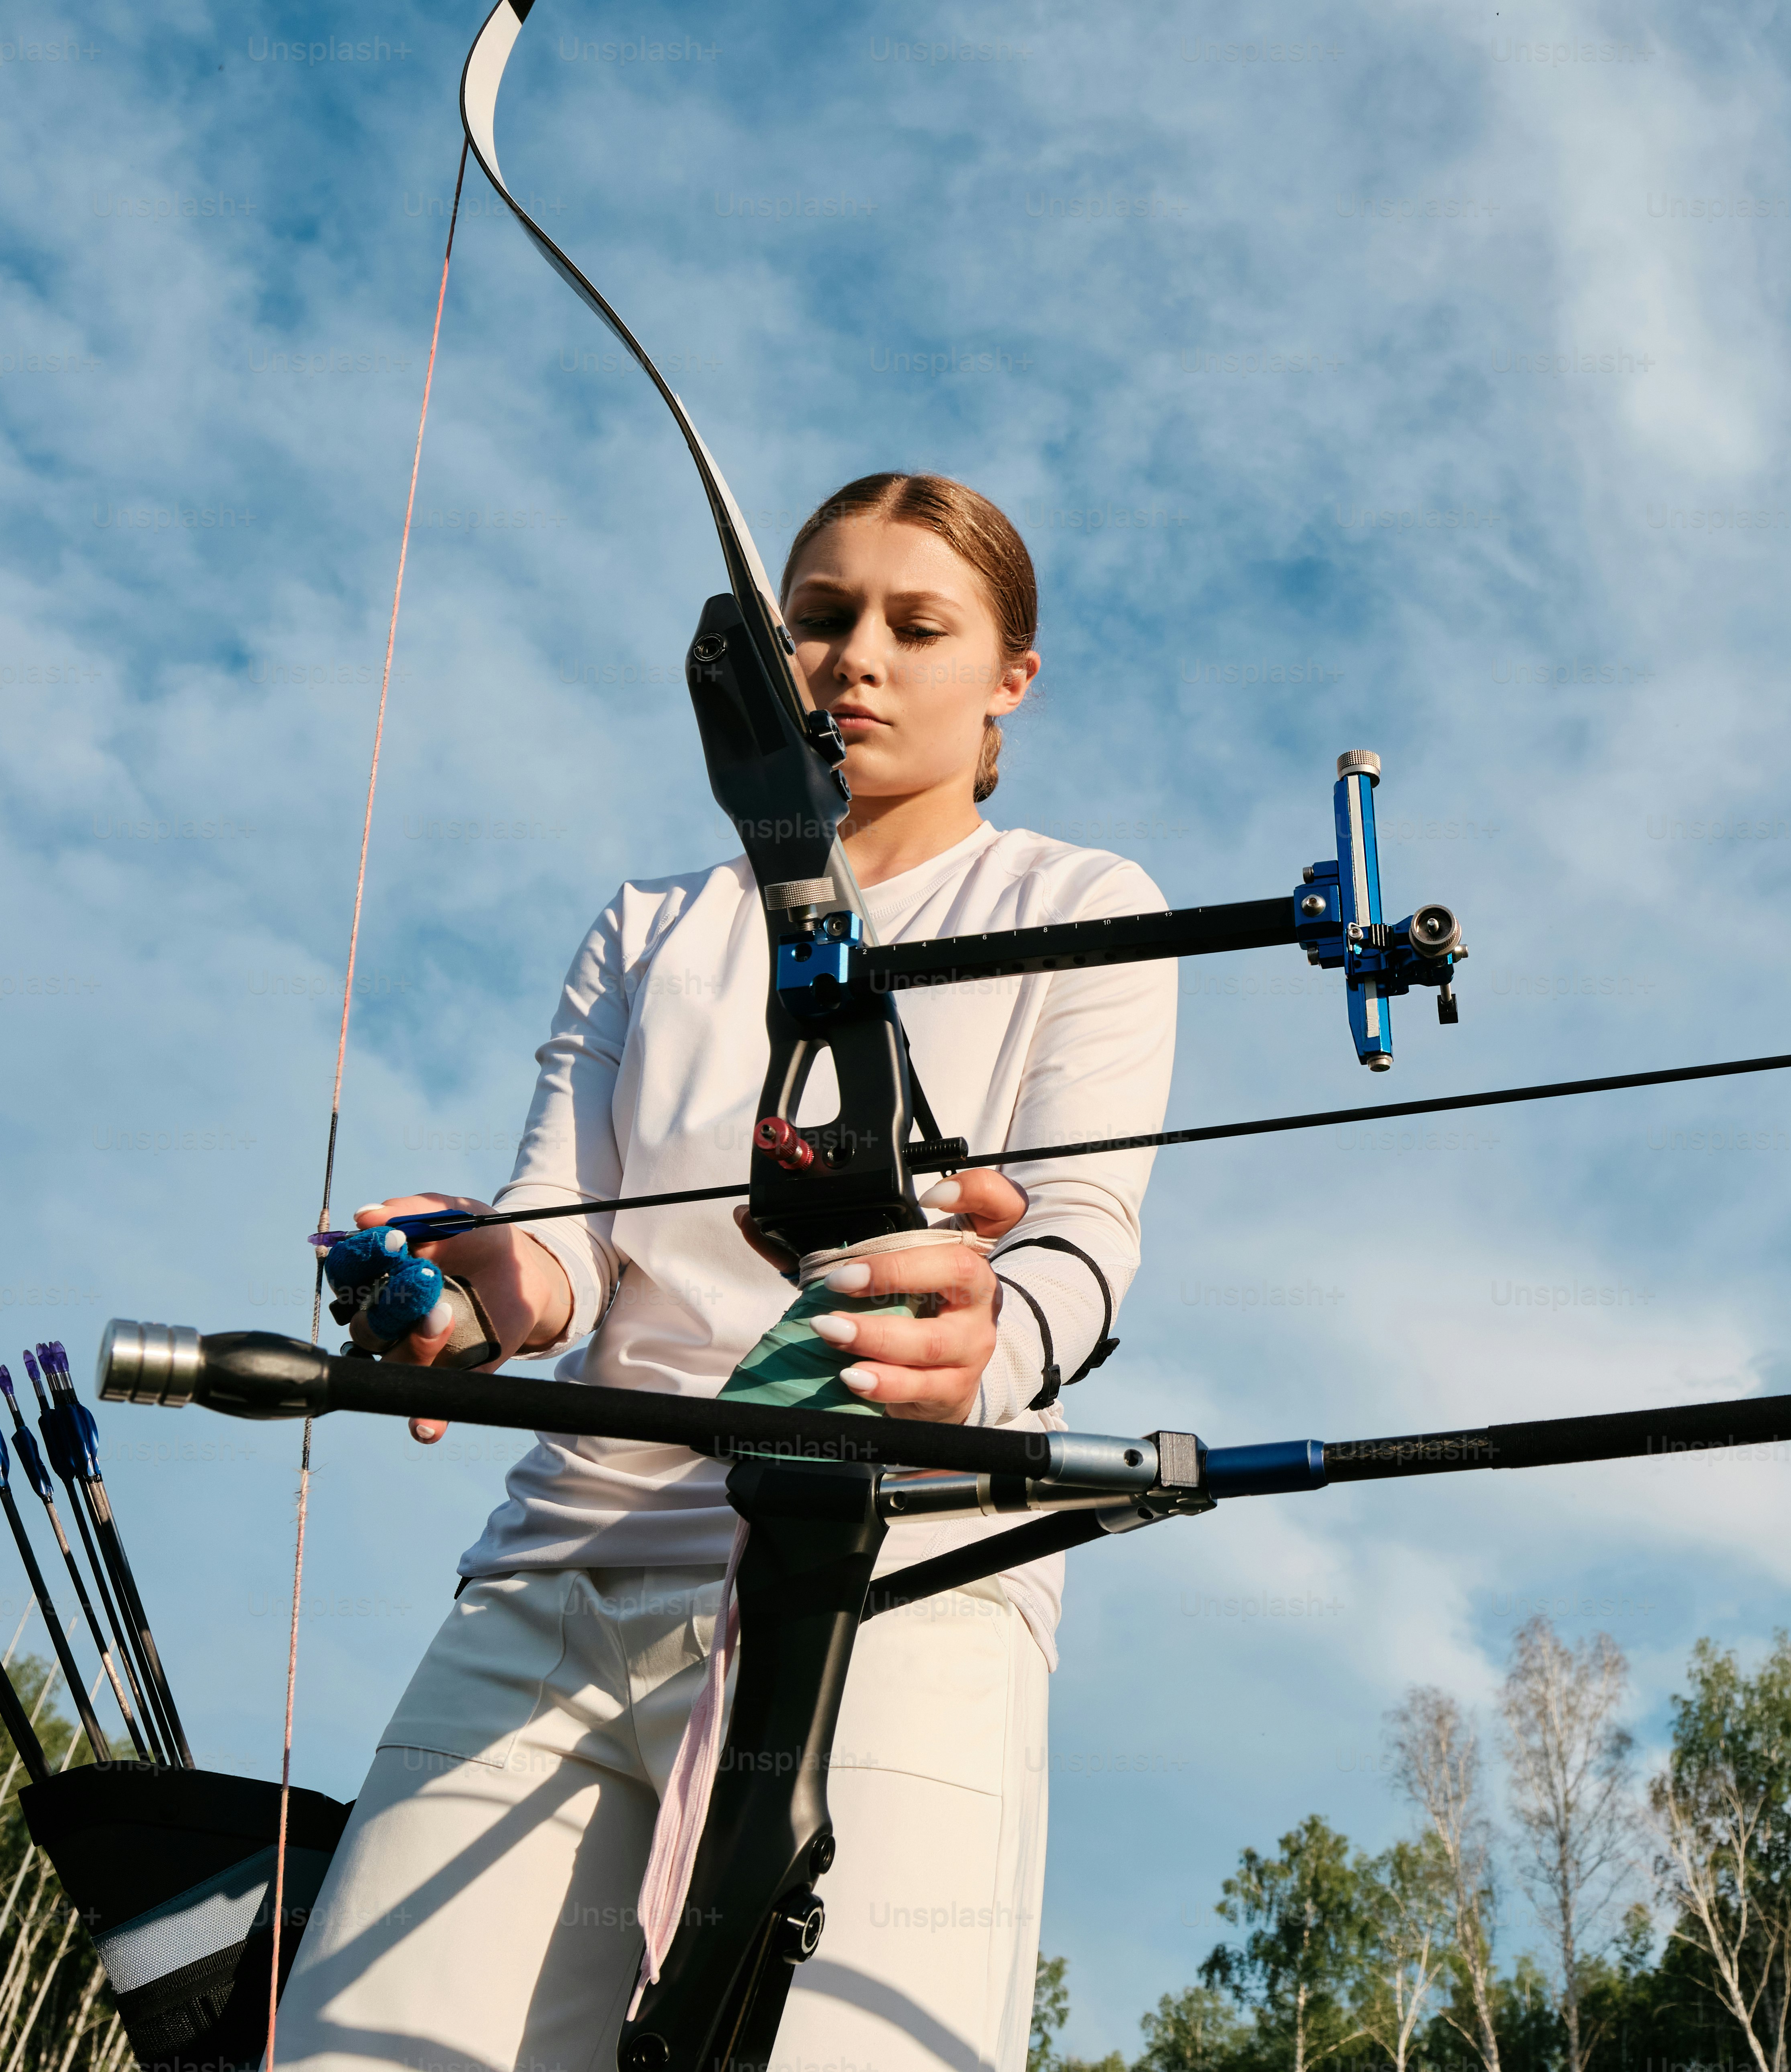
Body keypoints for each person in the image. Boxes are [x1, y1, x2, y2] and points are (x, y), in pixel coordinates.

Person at [273, 472, 1173, 2072]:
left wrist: (984, 1339)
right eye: (818, 623)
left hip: (900, 1583)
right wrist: (466, 1300)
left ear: (1008, 680)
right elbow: (559, 1236)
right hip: (562, 1583)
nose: (856, 663)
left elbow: (1079, 1241)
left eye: (917, 627)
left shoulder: (1082, 905)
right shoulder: (648, 924)